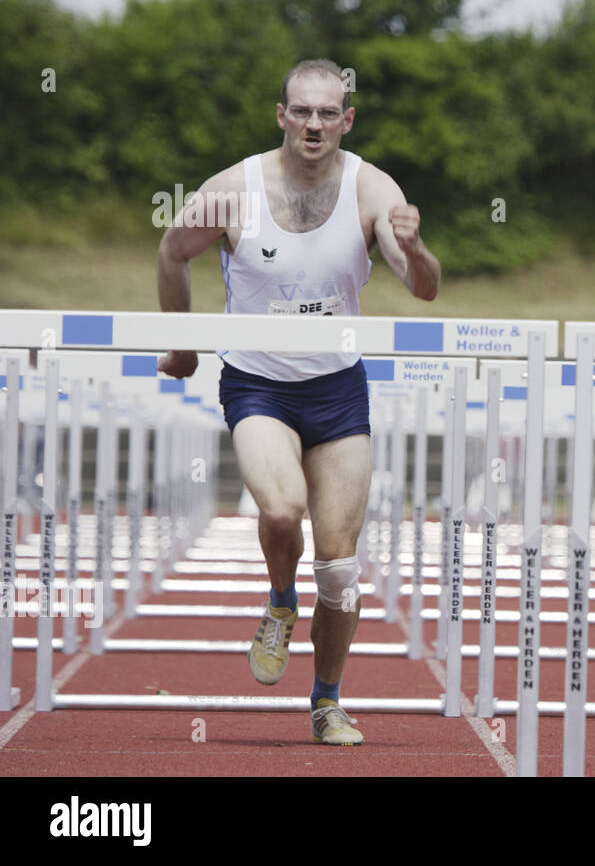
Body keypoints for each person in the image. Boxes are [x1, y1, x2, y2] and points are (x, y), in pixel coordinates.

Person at [156, 59, 441, 745]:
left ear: (347, 120)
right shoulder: (234, 189)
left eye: (328, 113)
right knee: (280, 510)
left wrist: (416, 246)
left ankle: (326, 701)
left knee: (340, 569)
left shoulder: (373, 189)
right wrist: (183, 345)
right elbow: (172, 251)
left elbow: (424, 288)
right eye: (302, 111)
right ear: (282, 116)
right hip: (257, 382)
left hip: (338, 388)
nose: (315, 124)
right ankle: (281, 602)